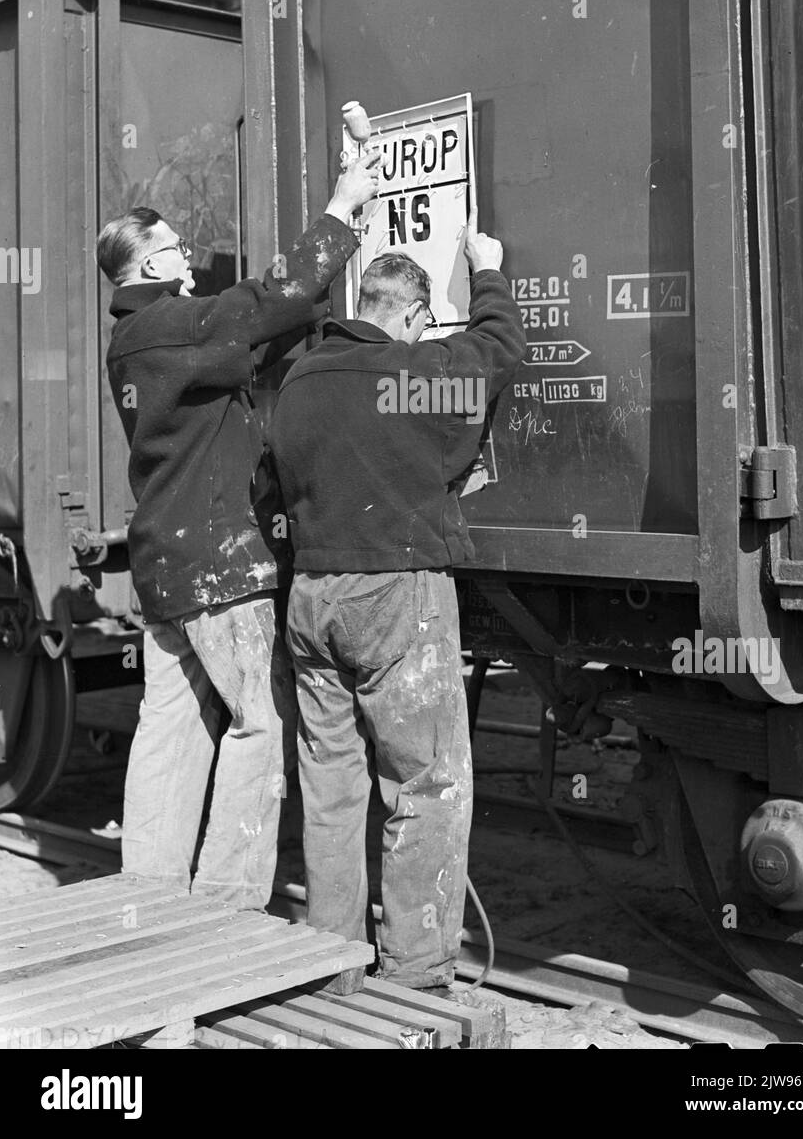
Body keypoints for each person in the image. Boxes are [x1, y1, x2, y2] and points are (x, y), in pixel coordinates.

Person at [96, 150, 380, 910]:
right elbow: (268, 299)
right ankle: (227, 903)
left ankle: (149, 894)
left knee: (174, 727)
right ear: (151, 259)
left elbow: (250, 339)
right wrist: (342, 207)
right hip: (217, 566)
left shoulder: (135, 342)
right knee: (259, 723)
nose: (191, 263)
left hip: (164, 566)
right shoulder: (168, 327)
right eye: (180, 252)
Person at [270, 209, 525, 989]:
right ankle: (415, 973)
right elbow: (497, 350)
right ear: (412, 316)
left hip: (311, 597)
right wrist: (486, 268)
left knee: (332, 787)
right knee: (425, 782)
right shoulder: (410, 372)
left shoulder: (300, 377)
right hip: (393, 595)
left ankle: (331, 965)